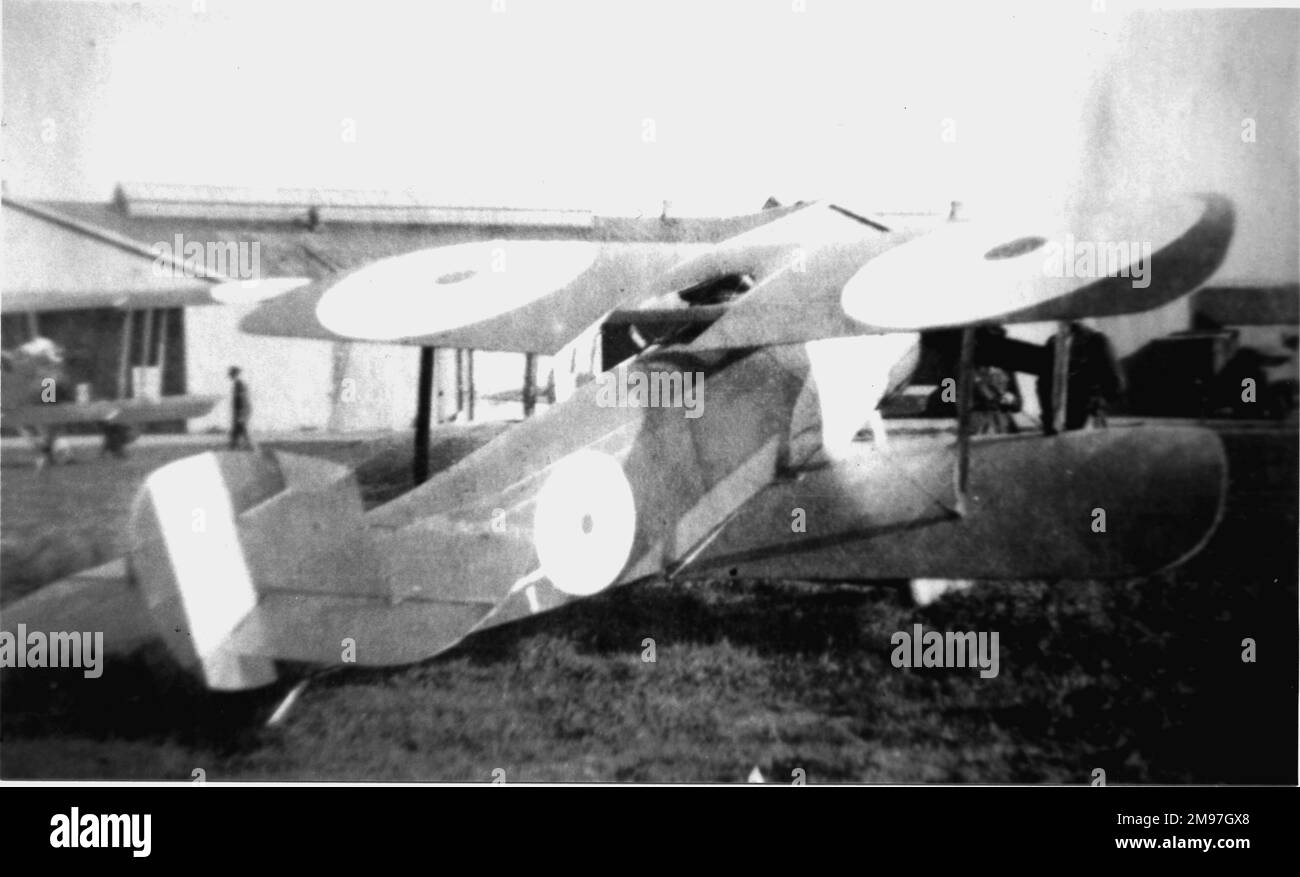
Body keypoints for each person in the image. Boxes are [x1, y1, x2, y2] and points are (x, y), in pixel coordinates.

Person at [1036, 322, 1123, 434]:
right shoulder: (1052, 342)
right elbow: (1042, 385)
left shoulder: (1096, 341)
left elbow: (1116, 387)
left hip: (1087, 422)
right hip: (1057, 425)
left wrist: (1095, 403)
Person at [228, 365, 254, 450]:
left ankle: (247, 446)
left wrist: (241, 413)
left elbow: (242, 399)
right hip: (239, 410)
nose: (230, 376)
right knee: (238, 429)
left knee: (240, 428)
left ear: (234, 374)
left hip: (241, 410)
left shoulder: (239, 384)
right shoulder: (238, 384)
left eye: (231, 374)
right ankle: (235, 446)